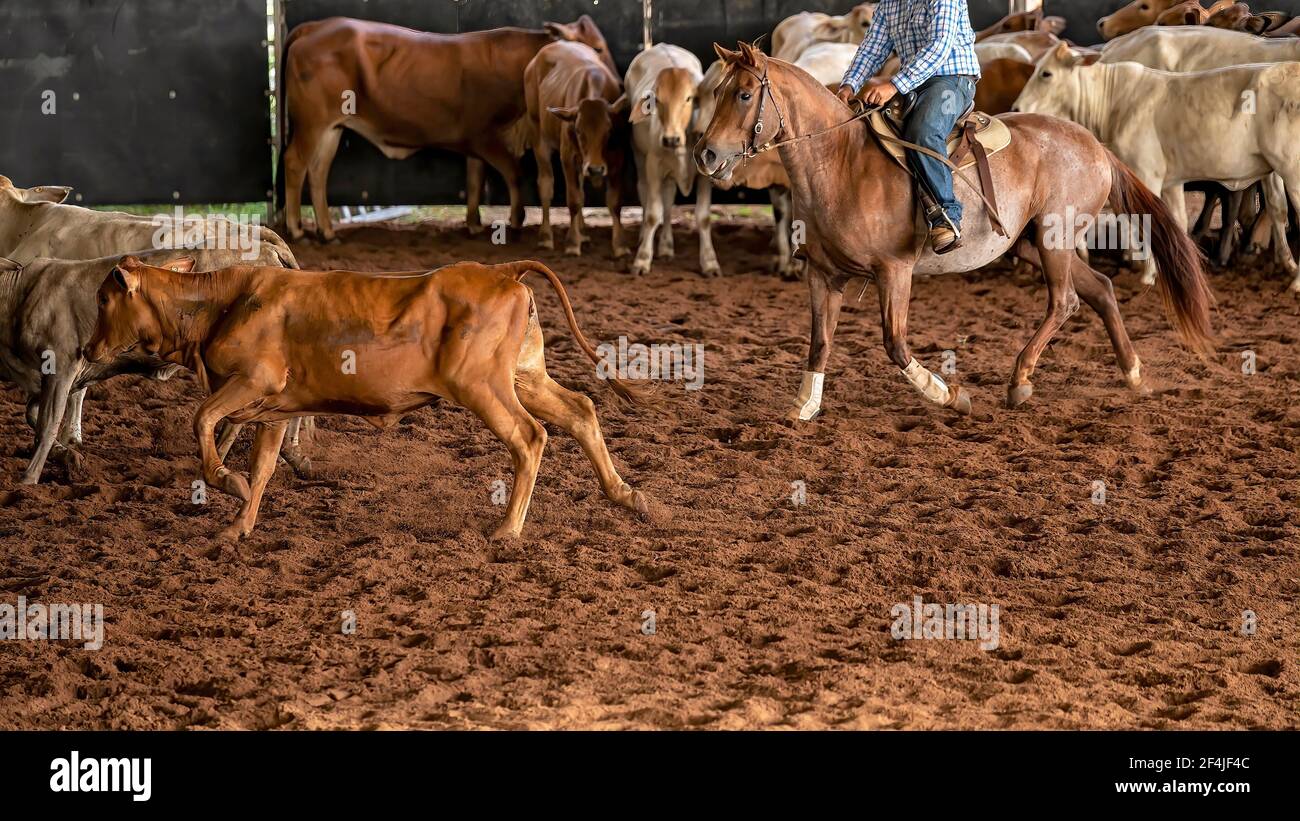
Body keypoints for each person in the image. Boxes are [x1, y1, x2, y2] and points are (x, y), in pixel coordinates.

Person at [836, 0, 981, 254]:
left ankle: (946, 215)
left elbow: (939, 47)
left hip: (952, 78)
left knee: (923, 131)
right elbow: (872, 49)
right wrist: (849, 85)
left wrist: (893, 85)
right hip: (915, 82)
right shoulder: (890, 3)